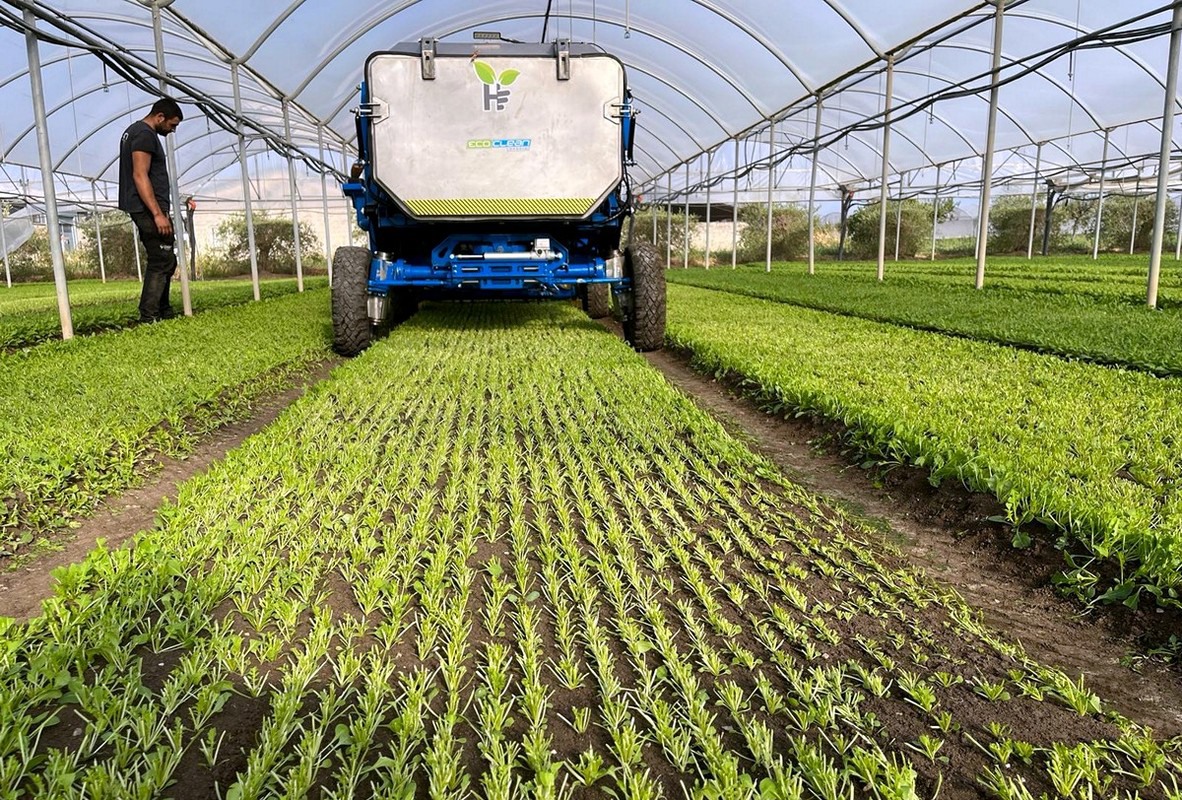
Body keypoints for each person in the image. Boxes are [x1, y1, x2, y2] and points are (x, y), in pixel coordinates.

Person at [119, 97, 183, 322]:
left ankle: (163, 311)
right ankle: (149, 316)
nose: (172, 130)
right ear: (160, 117)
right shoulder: (145, 135)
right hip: (147, 208)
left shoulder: (134, 132)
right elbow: (139, 174)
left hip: (150, 208)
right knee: (161, 259)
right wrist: (157, 214)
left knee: (166, 258)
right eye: (172, 125)